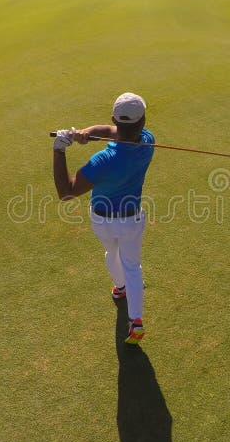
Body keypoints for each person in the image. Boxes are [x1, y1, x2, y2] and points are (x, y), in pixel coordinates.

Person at [52, 92, 155, 345]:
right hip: (131, 220)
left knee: (111, 254)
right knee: (132, 265)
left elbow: (67, 192)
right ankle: (136, 322)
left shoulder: (102, 161)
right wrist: (86, 133)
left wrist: (59, 149)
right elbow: (113, 132)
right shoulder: (149, 141)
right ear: (142, 122)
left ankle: (119, 289)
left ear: (114, 118)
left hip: (102, 220)